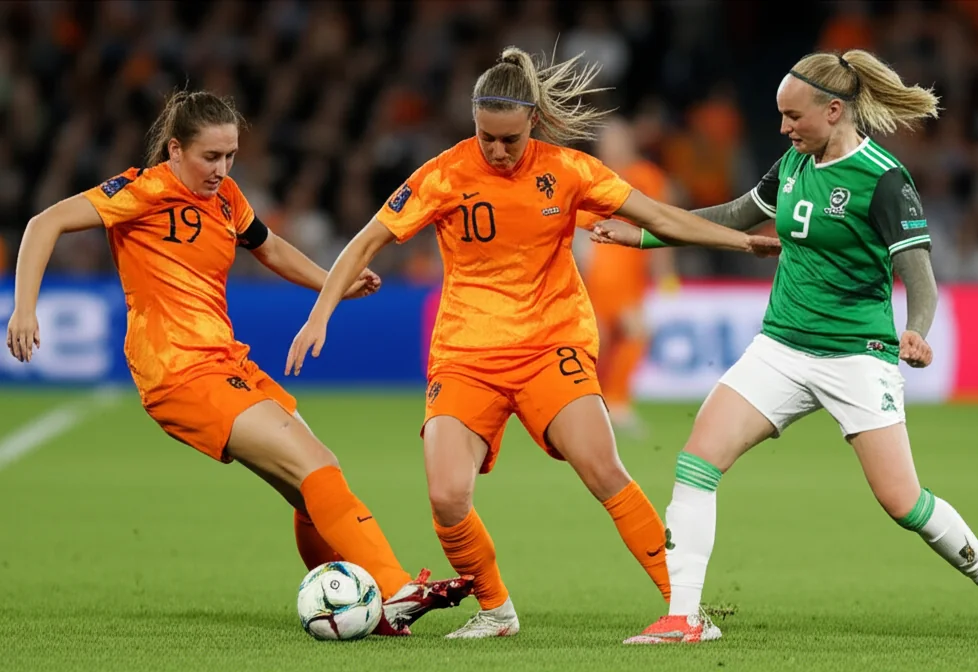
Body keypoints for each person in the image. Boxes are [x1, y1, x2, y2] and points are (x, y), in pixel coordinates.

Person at [285, 46, 781, 639]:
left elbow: (660, 216)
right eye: (485, 136)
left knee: (602, 467)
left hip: (552, 344)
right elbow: (367, 240)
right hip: (467, 354)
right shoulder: (443, 174)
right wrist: (321, 313)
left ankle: (683, 609)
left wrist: (744, 244)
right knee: (446, 496)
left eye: (509, 140)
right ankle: (496, 611)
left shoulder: (569, 171)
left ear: (533, 125)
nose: (495, 150)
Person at [590, 50, 978, 643]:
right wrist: (644, 235)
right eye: (781, 117)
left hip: (856, 355)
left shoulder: (884, 179)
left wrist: (916, 328)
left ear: (835, 110)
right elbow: (736, 216)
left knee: (904, 502)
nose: (784, 128)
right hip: (781, 349)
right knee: (696, 462)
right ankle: (684, 617)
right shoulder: (794, 162)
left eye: (793, 117)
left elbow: (919, 276)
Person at [5, 90, 472, 636]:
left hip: (227, 360)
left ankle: (351, 609)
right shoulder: (144, 190)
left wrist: (333, 284)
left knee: (314, 485)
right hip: (179, 370)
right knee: (315, 467)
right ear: (175, 150)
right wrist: (25, 308)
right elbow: (44, 223)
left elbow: (269, 247)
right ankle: (394, 590)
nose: (222, 169)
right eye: (210, 157)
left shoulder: (226, 197)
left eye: (230, 156)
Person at [576, 116, 678, 436]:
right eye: (607, 141)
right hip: (603, 272)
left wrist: (665, 271)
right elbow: (574, 223)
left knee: (611, 340)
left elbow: (663, 224)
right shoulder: (593, 177)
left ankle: (595, 407)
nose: (611, 146)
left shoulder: (644, 177)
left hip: (629, 272)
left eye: (616, 140)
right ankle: (613, 404)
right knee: (626, 334)